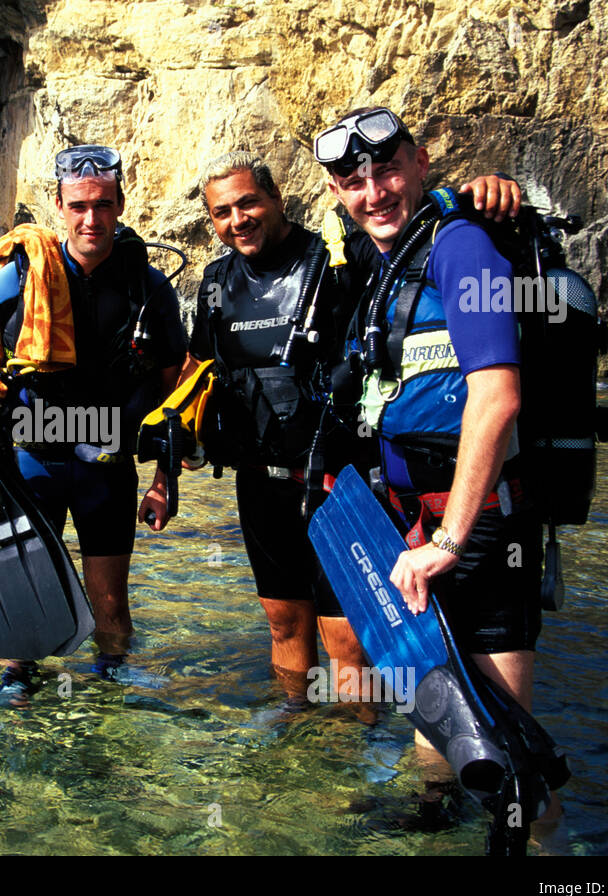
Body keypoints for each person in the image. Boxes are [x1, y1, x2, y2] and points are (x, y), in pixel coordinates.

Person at [178, 152, 523, 717]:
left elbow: (406, 233)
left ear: (277, 199)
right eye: (222, 212)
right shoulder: (216, 281)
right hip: (260, 484)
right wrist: (174, 460)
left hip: (341, 484)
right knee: (283, 621)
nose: (237, 219)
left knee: (349, 638)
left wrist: (484, 188)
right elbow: (200, 369)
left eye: (248, 203)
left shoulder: (340, 258)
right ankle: (300, 727)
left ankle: (353, 742)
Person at [316, 107, 558, 818]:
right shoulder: (391, 264)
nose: (374, 191)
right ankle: (434, 819)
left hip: (478, 532)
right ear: (337, 194)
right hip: (417, 528)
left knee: (506, 754)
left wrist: (448, 542)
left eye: (388, 170)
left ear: (422, 164)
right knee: (439, 714)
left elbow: (497, 398)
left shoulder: (460, 248)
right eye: (353, 181)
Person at [0, 145, 186, 706]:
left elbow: (178, 387)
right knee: (19, 589)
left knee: (110, 603)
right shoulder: (14, 281)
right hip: (31, 457)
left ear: (120, 205)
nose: (91, 219)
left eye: (102, 205)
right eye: (78, 206)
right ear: (58, 205)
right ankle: (15, 681)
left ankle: (111, 681)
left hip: (105, 463)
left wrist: (165, 478)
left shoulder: (149, 288)